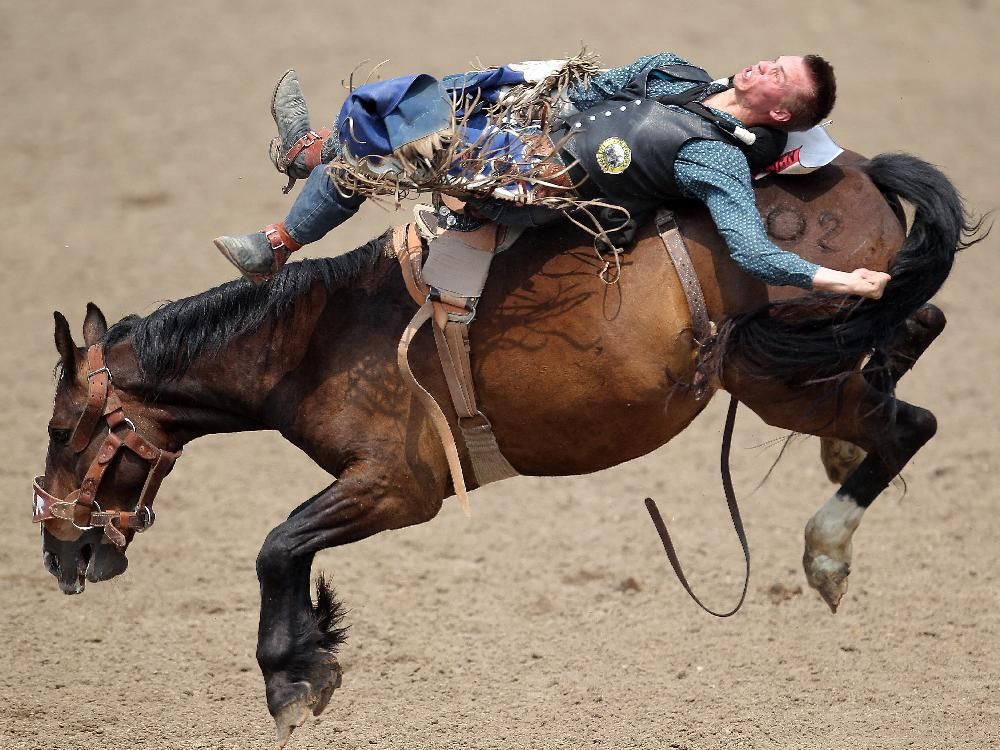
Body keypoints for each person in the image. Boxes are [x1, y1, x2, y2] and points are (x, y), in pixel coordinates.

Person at [214, 52, 891, 299]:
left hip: (539, 186)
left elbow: (749, 247)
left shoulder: (714, 156)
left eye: (778, 75)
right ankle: (310, 153)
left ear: (779, 109)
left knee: (394, 151)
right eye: (772, 57)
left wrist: (838, 280)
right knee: (395, 100)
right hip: (530, 127)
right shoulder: (678, 72)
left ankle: (277, 241)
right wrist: (548, 99)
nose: (763, 65)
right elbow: (611, 83)